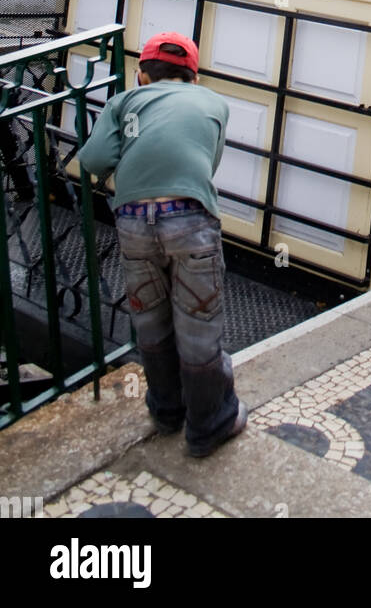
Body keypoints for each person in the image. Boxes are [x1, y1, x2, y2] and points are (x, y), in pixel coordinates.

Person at [78, 31, 247, 457]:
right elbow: (206, 160)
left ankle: (167, 412)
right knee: (198, 323)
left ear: (141, 75)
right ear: (193, 77)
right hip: (190, 216)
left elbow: (93, 160)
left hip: (133, 218)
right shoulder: (214, 103)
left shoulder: (124, 102)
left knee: (150, 322)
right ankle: (209, 425)